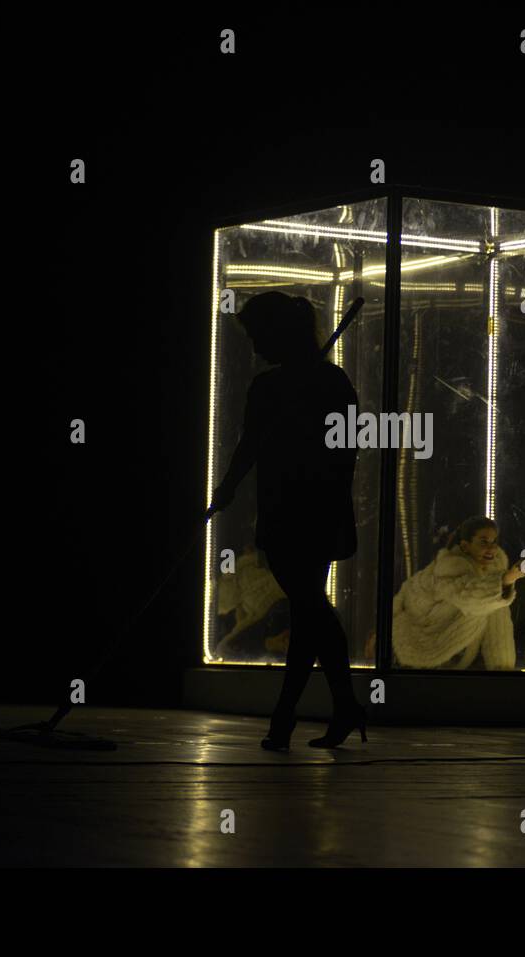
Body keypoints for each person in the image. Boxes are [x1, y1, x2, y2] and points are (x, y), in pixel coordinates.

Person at [208, 291, 367, 749]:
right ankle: (314, 713)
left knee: (309, 609)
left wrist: (229, 487)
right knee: (308, 609)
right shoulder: (320, 382)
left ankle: (293, 717)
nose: (255, 347)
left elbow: (256, 448)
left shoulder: (286, 386)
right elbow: (340, 450)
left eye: (258, 336)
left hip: (297, 510)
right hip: (312, 510)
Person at [391, 516, 525, 670]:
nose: (491, 548)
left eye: (494, 542)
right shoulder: (450, 566)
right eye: (483, 542)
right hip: (420, 643)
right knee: (486, 601)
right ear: (465, 546)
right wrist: (506, 579)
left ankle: (500, 670)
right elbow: (468, 595)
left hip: (447, 644)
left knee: (493, 603)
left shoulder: (493, 568)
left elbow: (498, 624)